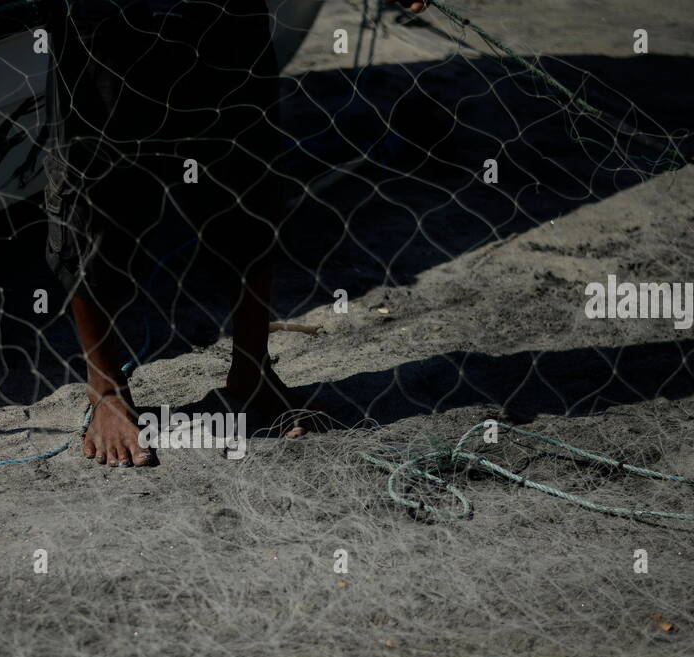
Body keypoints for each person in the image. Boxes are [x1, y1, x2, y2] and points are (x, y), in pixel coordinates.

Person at [42, 0, 428, 466]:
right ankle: (105, 389)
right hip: (105, 21)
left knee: (247, 175)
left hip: (221, 14)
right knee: (95, 192)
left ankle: (252, 369)